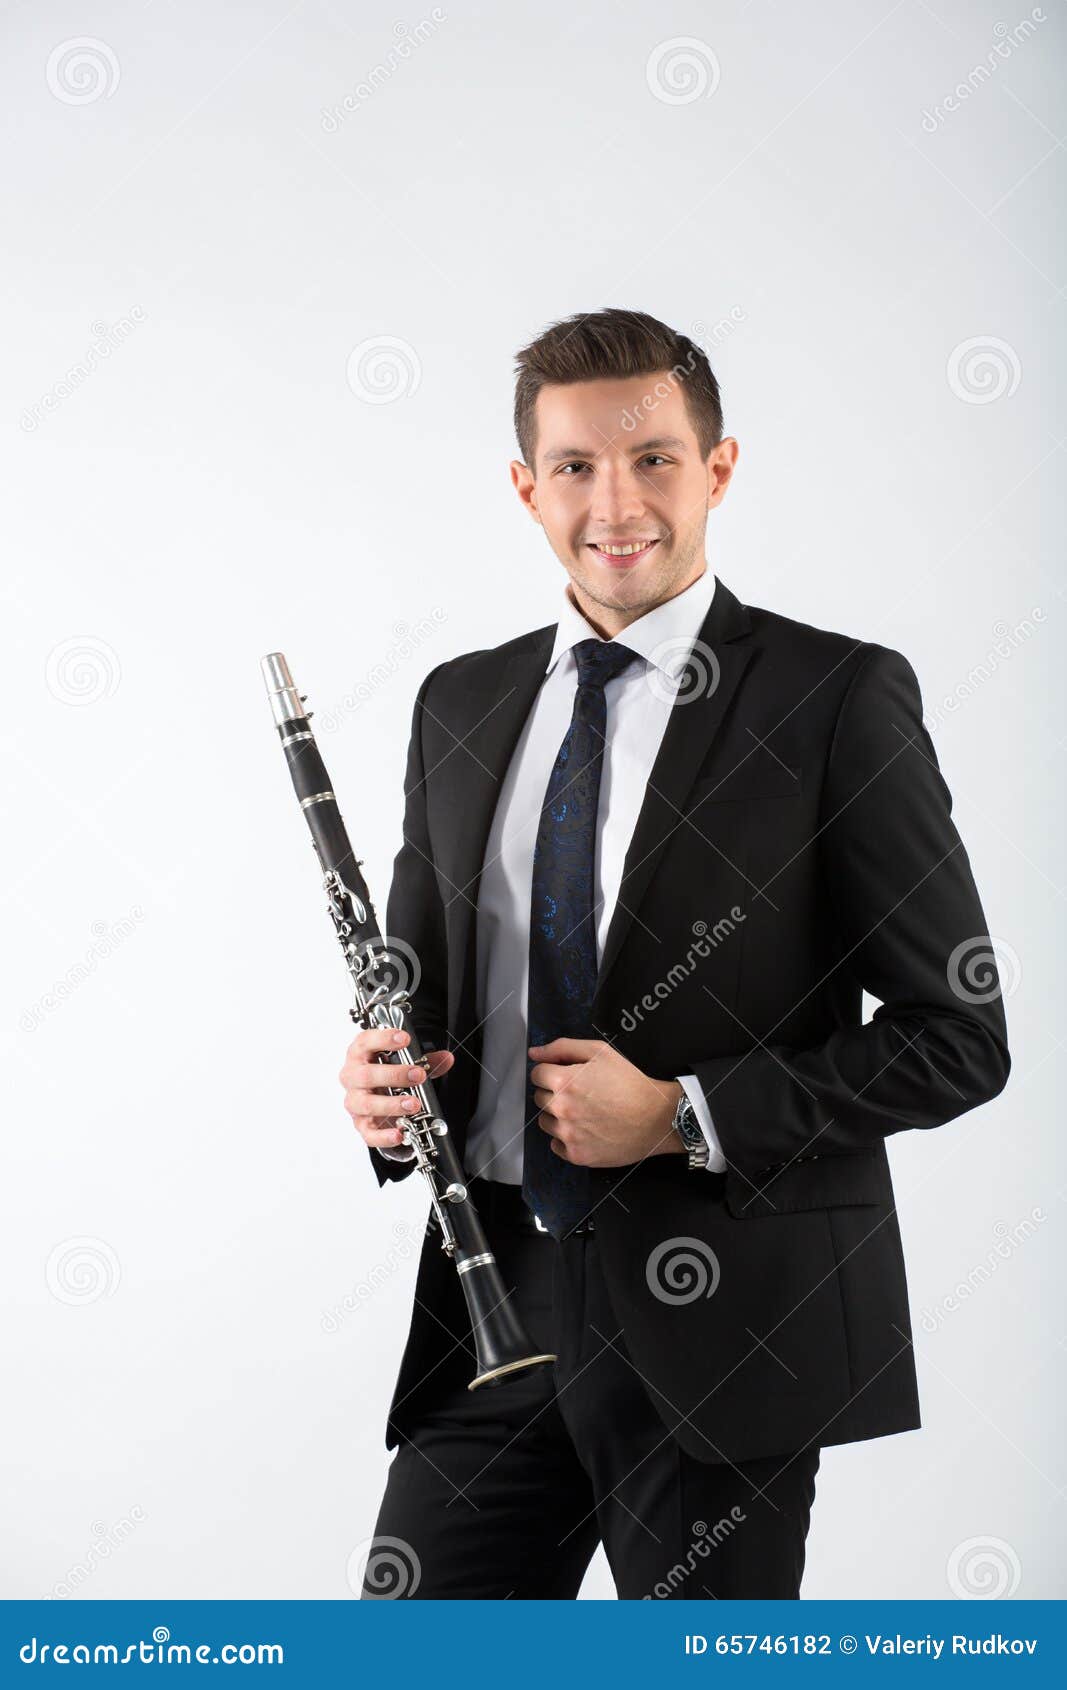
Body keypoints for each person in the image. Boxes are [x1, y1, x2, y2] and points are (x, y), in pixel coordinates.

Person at [338, 307, 1010, 1600]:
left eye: (655, 458)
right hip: (497, 1308)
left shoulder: (836, 698)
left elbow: (960, 1036)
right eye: (578, 467)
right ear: (527, 488)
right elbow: (423, 1003)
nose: (618, 501)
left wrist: (679, 1114)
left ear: (721, 467)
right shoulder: (461, 703)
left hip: (730, 1329)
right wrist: (381, 1088)